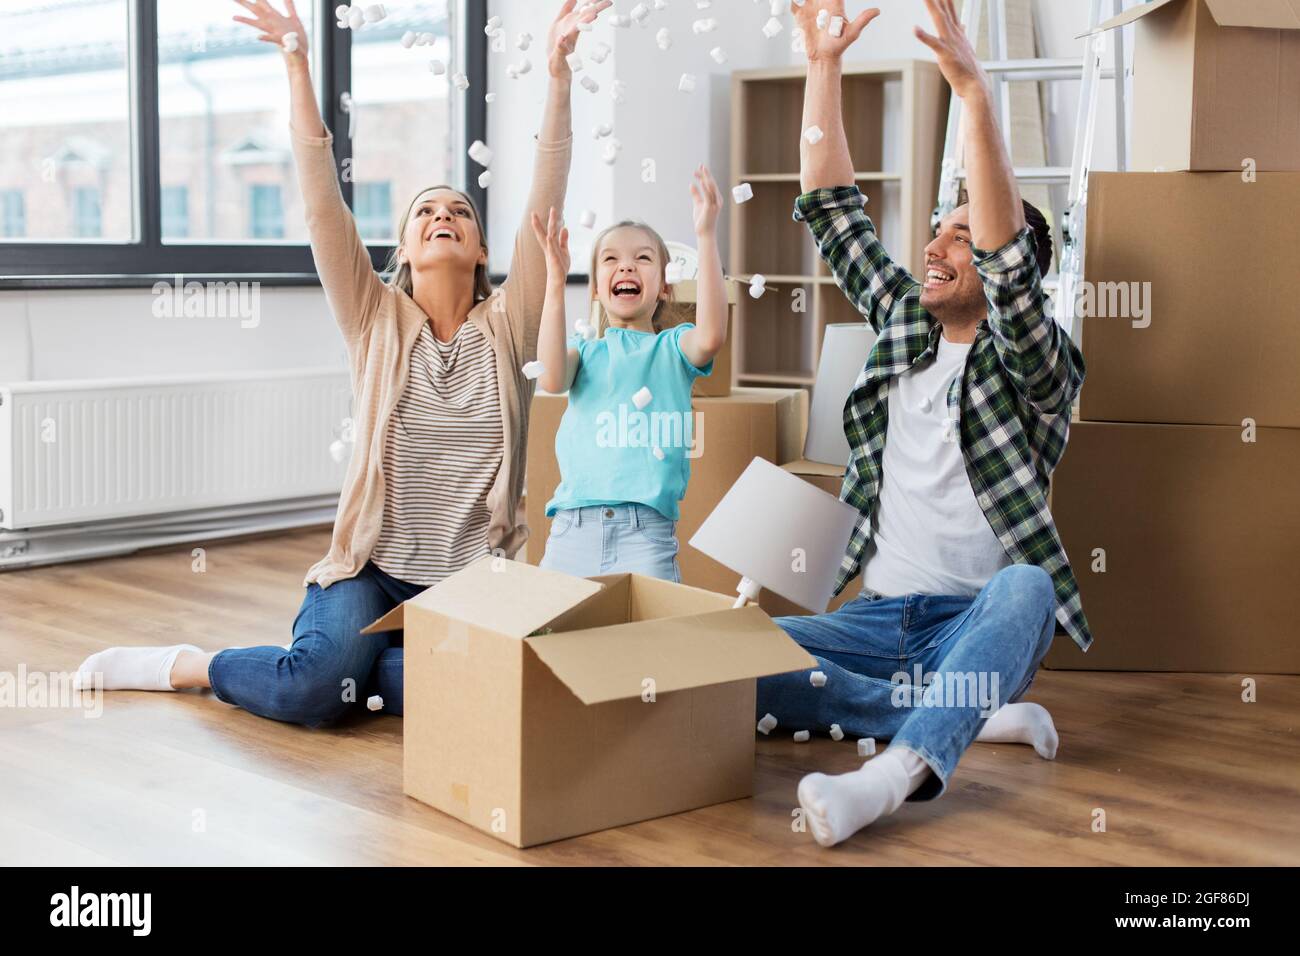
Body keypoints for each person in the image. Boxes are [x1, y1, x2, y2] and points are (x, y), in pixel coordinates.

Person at [72, 0, 611, 725]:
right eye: (424, 213)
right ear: (405, 248)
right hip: (370, 570)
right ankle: (193, 665)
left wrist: (557, 73)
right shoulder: (372, 316)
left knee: (500, 689)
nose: (442, 216)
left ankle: (362, 658)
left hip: (470, 580)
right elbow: (325, 207)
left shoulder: (509, 325)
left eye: (460, 211)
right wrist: (297, 62)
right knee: (316, 692)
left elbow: (548, 195)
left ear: (484, 249)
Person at [757, 0, 1089, 847]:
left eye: (961, 236)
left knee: (1031, 589)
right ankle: (969, 713)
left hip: (976, 620)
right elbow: (832, 208)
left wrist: (974, 97)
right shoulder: (905, 321)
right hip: (876, 618)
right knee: (727, 653)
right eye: (936, 232)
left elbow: (1012, 272)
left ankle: (890, 776)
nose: (936, 249)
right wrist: (822, 65)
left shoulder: (1040, 365)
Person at [530, 167, 728, 581]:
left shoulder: (673, 348)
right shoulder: (585, 354)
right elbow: (549, 377)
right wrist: (555, 280)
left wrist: (706, 237)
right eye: (611, 259)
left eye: (642, 258)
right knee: (554, 641)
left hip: (646, 534)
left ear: (665, 286)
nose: (627, 267)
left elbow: (711, 337)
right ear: (598, 290)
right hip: (573, 530)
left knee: (647, 643)